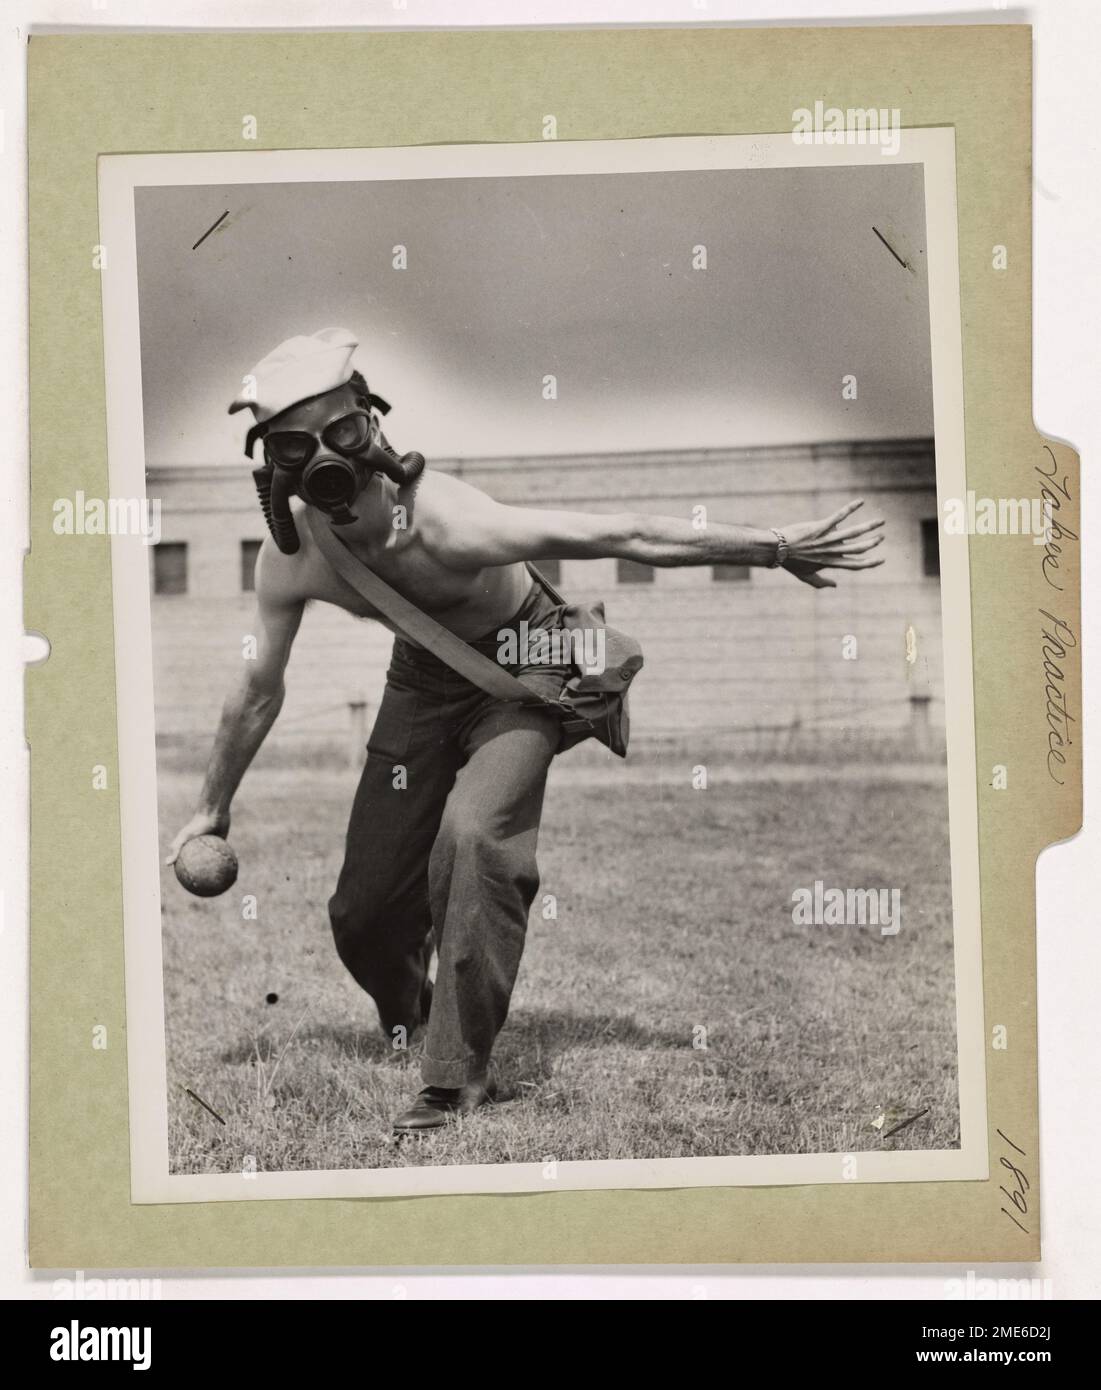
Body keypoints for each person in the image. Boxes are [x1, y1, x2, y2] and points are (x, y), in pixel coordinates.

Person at [168, 327, 885, 1133]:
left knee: (476, 837)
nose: (326, 462)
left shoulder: (453, 520)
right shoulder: (292, 555)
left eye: (340, 432)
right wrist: (211, 806)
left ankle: (455, 1074)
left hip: (525, 664)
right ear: (274, 464)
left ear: (371, 426)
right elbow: (257, 690)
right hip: (422, 682)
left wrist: (772, 545)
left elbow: (624, 534)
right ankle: (419, 1010)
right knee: (361, 914)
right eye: (298, 446)